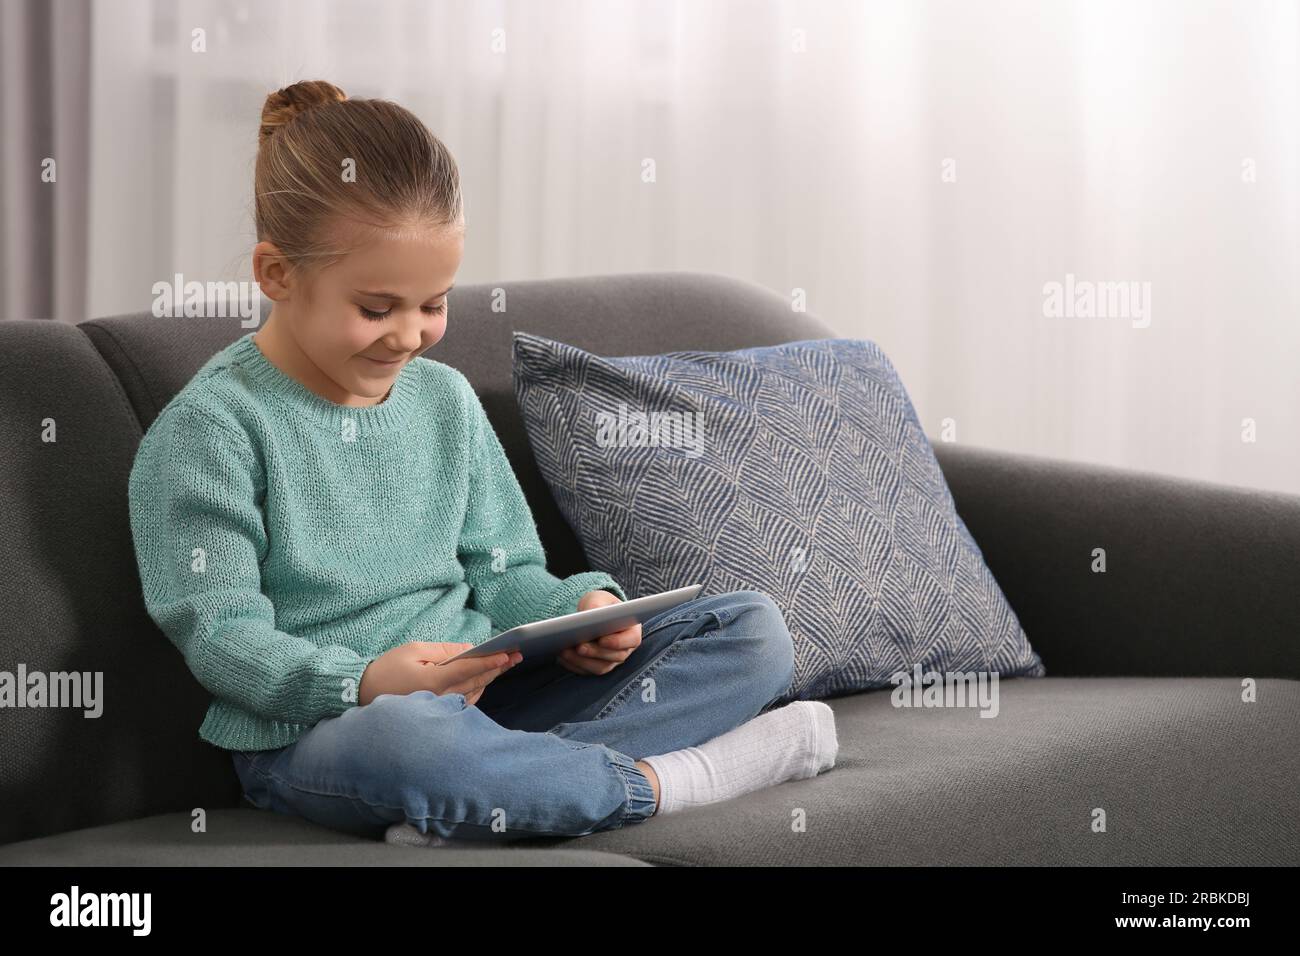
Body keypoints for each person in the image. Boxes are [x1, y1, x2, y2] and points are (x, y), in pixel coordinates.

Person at [127, 79, 837, 846]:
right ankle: (667, 782)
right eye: (376, 308)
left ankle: (494, 795)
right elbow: (221, 638)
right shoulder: (210, 431)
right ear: (276, 275)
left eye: (433, 303)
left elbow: (505, 575)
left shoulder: (444, 400)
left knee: (750, 630)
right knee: (409, 740)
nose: (410, 335)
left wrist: (578, 613)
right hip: (323, 732)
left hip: (489, 697)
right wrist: (362, 682)